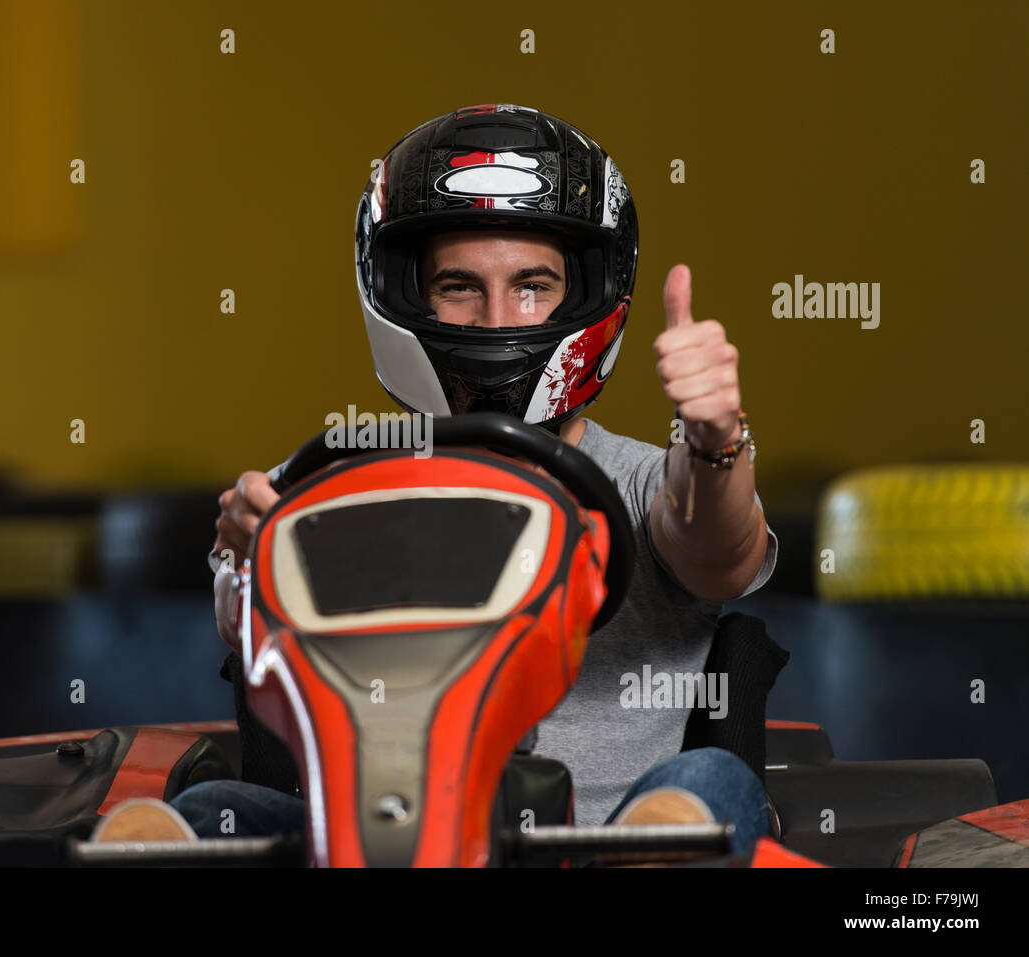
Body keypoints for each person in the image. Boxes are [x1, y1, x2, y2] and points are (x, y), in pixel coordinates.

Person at [173, 104, 778, 858]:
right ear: (408, 295)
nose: (496, 322)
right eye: (459, 286)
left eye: (532, 286)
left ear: (585, 294)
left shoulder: (638, 484)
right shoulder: (324, 494)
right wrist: (248, 561)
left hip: (598, 847)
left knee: (709, 778)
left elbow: (716, 545)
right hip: (384, 844)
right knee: (201, 809)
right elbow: (255, 642)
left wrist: (715, 440)